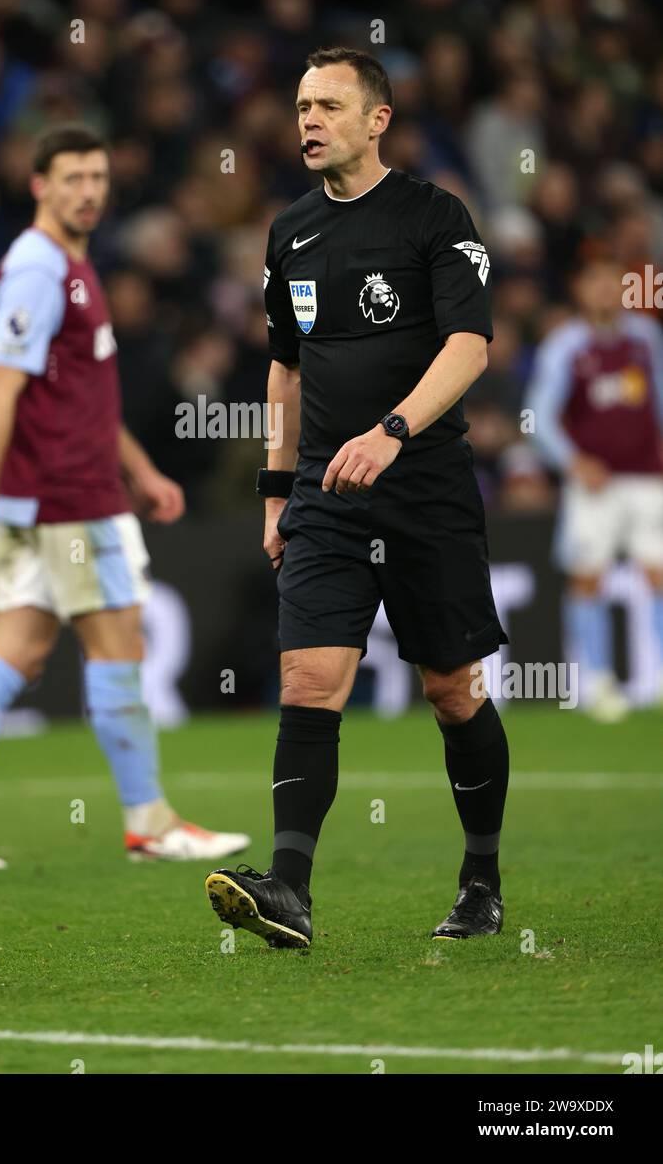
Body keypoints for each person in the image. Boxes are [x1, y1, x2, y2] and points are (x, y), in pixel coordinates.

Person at [205, 46, 508, 947]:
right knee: (307, 679)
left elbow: (469, 347)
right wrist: (273, 497)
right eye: (301, 105)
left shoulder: (434, 216)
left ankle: (480, 881)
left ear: (377, 120)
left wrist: (394, 431)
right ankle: (288, 889)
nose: (307, 120)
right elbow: (284, 371)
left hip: (424, 487)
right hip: (325, 495)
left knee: (451, 691)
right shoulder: (288, 230)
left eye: (328, 106)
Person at [0, 124, 248, 868]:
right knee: (120, 644)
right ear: (39, 185)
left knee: (18, 652)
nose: (88, 191)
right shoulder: (39, 270)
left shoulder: (69, 266)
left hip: (52, 498)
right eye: (71, 178)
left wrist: (142, 470)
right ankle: (149, 825)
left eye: (97, 176)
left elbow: (80, 399)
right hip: (69, 502)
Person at [527, 251, 663, 719]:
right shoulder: (565, 345)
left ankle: (660, 678)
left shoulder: (646, 338)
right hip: (595, 485)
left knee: (659, 574)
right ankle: (600, 681)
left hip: (649, 476)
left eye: (613, 281)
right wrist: (573, 462)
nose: (606, 290)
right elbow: (540, 417)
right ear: (580, 289)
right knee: (589, 578)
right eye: (596, 282)